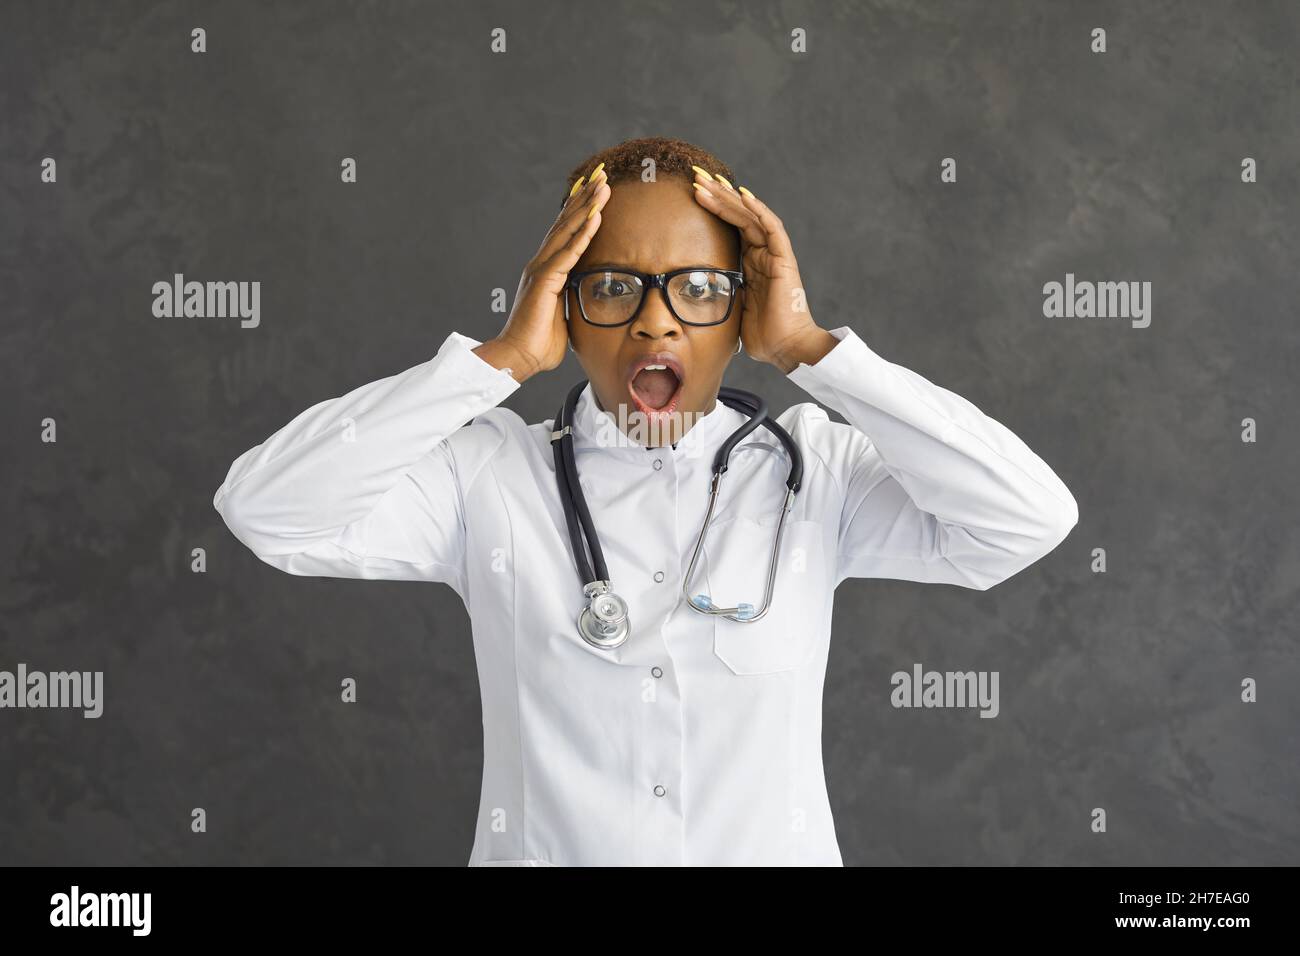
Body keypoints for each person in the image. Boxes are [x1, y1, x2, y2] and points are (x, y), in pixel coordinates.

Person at [213, 136, 1078, 866]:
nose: (656, 323)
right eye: (613, 285)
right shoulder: (485, 480)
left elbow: (1025, 518)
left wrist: (815, 351)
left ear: (744, 313)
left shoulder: (817, 472)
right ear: (565, 302)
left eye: (701, 288)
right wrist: (500, 360)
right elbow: (268, 508)